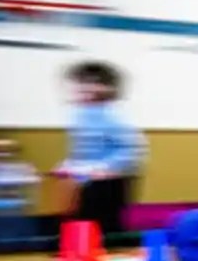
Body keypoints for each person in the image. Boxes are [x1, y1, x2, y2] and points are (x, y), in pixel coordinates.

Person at [55, 61, 147, 242]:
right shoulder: (79, 115)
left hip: (111, 180)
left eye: (88, 84)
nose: (80, 90)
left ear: (104, 89)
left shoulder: (112, 116)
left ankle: (109, 252)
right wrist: (70, 165)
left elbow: (132, 148)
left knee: (105, 223)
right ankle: (84, 254)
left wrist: (106, 168)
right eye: (79, 84)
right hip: (87, 177)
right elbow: (82, 148)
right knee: (83, 219)